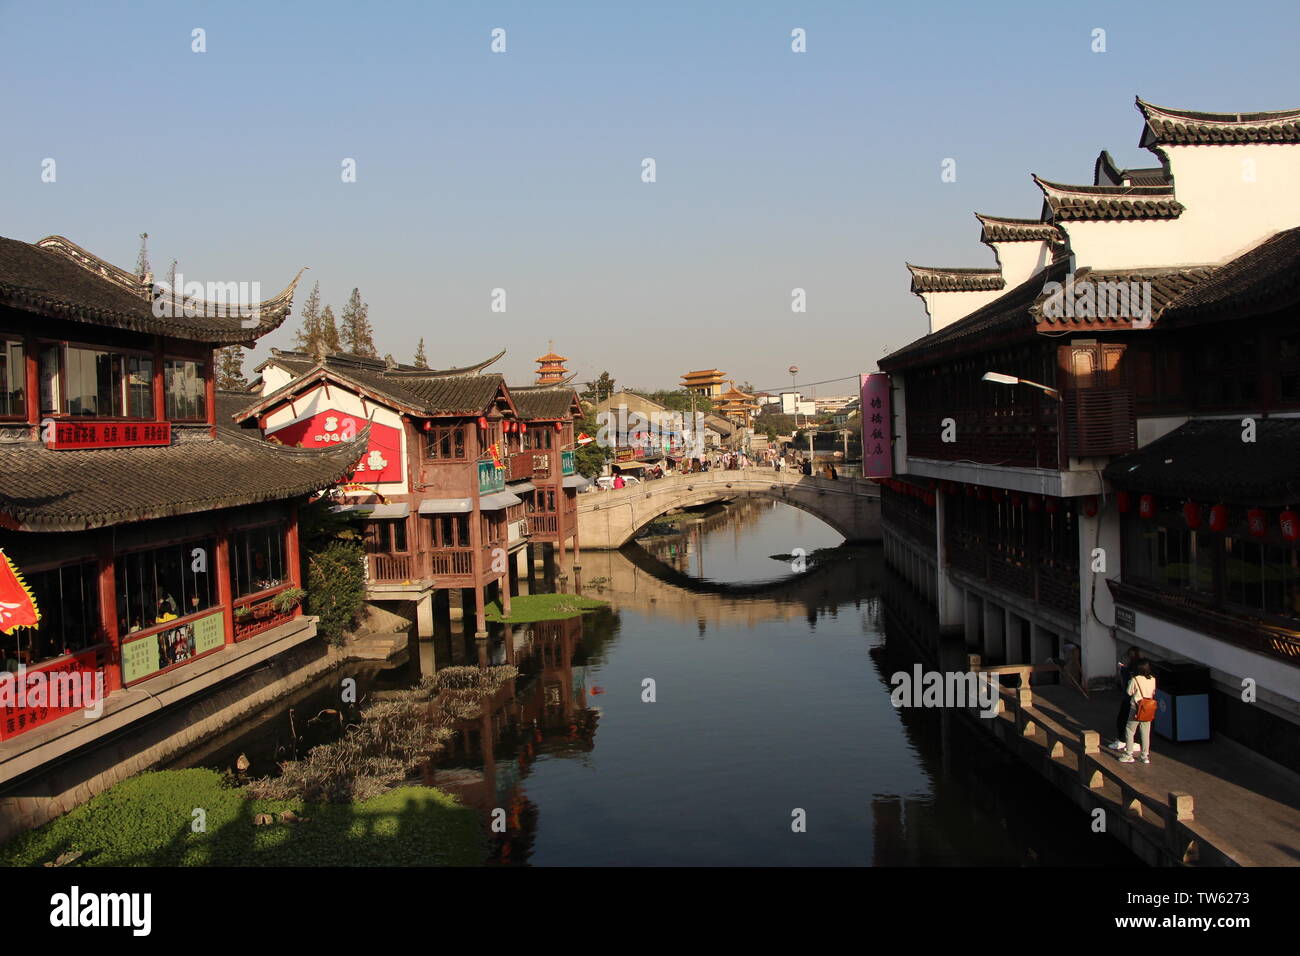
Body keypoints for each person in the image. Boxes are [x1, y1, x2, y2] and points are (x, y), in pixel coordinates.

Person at [1119, 659, 1157, 764]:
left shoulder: (1135, 679)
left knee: (1130, 730)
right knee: (1145, 732)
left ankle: (1128, 754)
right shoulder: (1153, 679)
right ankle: (1145, 756)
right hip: (1148, 708)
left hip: (1136, 708)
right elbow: (1153, 691)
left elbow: (1129, 692)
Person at [1108, 648, 1141, 751]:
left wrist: (1122, 670)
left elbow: (1128, 689)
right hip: (1140, 701)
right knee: (1136, 725)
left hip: (1130, 701)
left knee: (1124, 721)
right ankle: (1138, 748)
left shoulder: (1130, 671)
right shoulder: (1142, 670)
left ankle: (1124, 744)